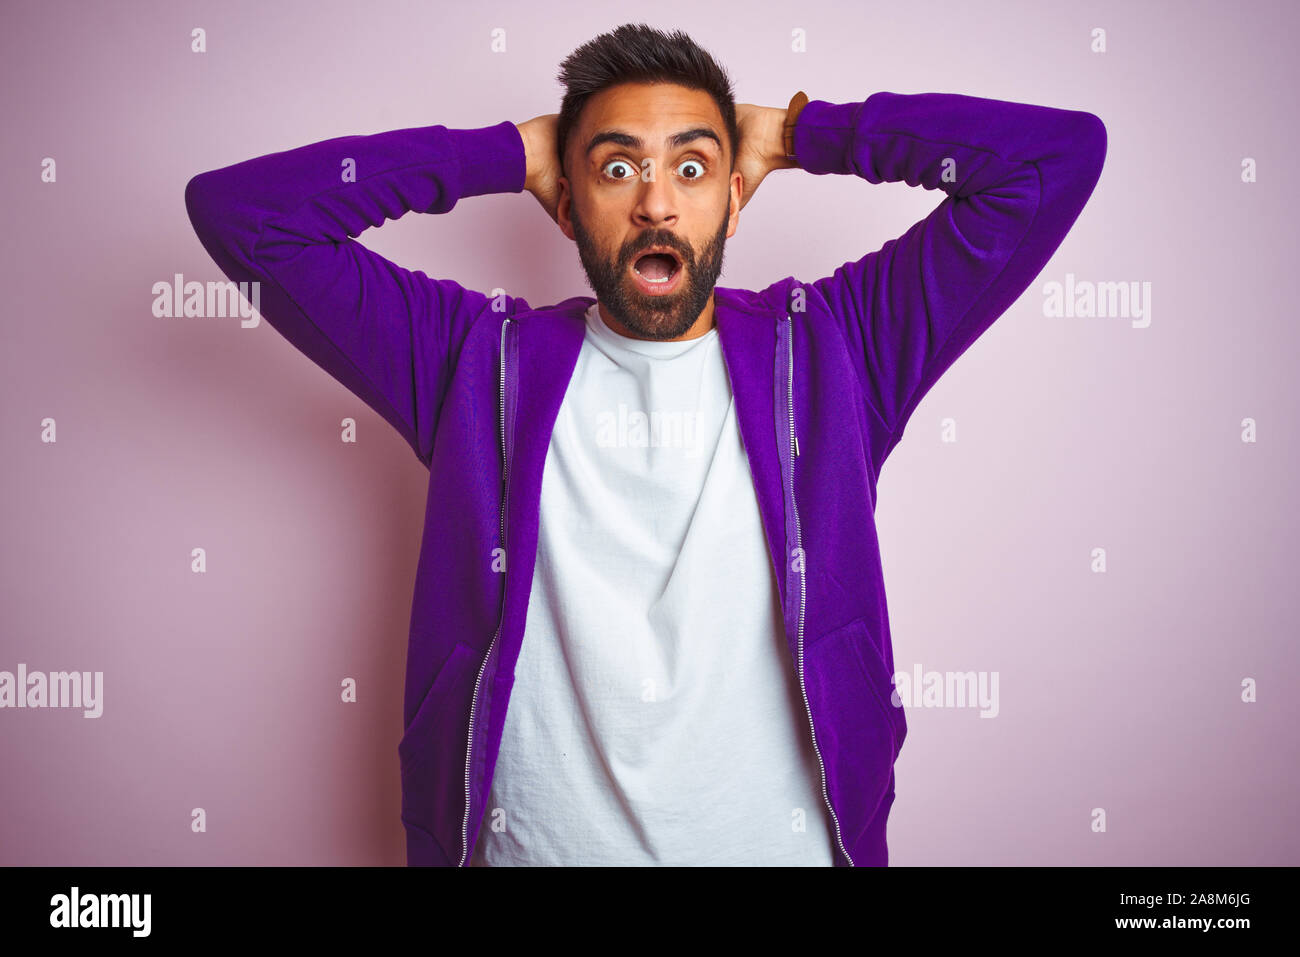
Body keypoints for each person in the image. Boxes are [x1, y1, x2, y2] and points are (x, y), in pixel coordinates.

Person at [184, 22, 1107, 866]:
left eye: (694, 169)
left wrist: (798, 132)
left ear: (737, 198)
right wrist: (504, 153)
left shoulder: (837, 349)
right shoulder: (470, 362)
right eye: (616, 170)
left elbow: (1052, 160)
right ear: (566, 205)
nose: (657, 203)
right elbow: (243, 215)